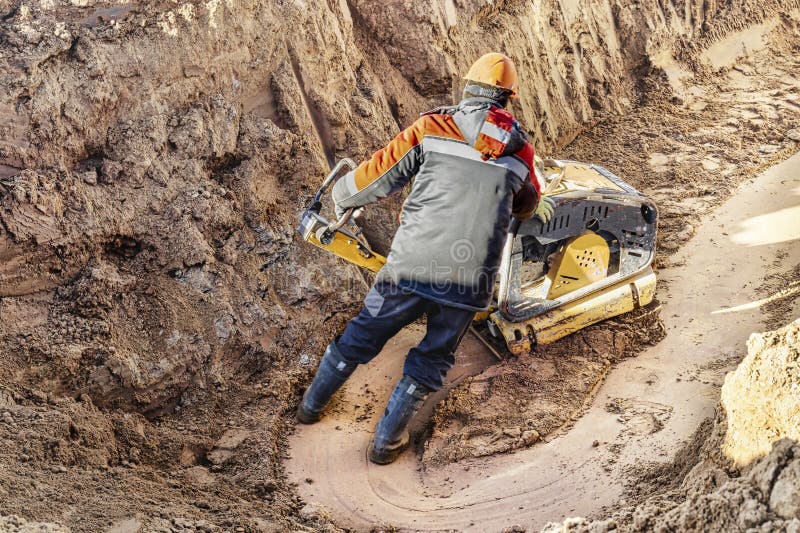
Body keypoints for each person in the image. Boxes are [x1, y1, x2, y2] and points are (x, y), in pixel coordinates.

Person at [297, 52, 555, 465]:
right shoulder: (521, 152)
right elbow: (526, 206)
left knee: (364, 332)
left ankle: (310, 408)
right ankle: (385, 445)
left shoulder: (432, 128)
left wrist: (341, 194)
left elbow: (377, 175)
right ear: (508, 100)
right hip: (470, 280)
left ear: (467, 90)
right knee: (433, 356)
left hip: (411, 267)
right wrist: (528, 203)